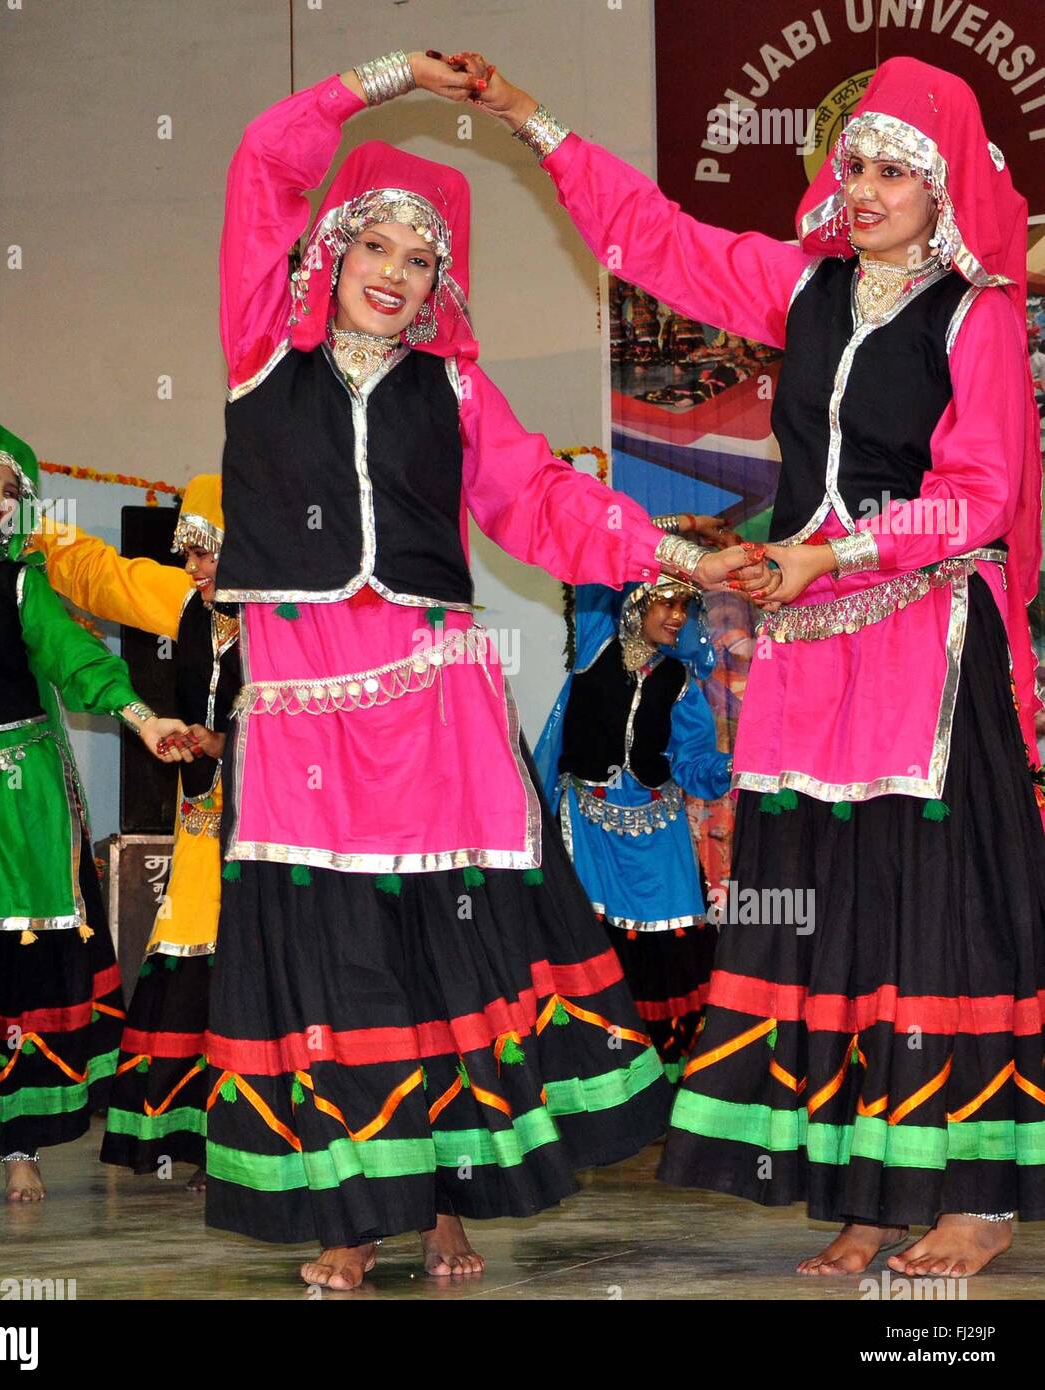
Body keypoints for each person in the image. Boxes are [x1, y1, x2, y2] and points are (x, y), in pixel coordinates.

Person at [463, 52, 1045, 1277]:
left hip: (926, 639)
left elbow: (983, 498)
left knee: (937, 917)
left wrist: (829, 554)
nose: (872, 187)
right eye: (858, 167)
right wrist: (532, 118)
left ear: (944, 189)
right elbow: (652, 237)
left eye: (897, 170)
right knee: (831, 916)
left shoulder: (975, 312)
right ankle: (871, 1189)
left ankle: (980, 1193)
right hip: (817, 653)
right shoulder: (805, 289)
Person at [205, 51, 755, 1290]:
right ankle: (349, 1212)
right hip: (305, 718)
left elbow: (547, 505)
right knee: (332, 961)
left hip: (435, 704)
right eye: (378, 249)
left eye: (422, 261)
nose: (397, 276)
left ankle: (447, 1197)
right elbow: (260, 164)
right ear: (330, 251)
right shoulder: (257, 348)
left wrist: (672, 545)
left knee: (452, 952)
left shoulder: (453, 390)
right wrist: (377, 80)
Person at [0, 417, 186, 1208]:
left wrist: (142, 717)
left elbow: (78, 658)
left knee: (8, 970)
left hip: (13, 801)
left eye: (12, 492)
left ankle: (22, 1144)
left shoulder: (21, 584)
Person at [29, 474, 238, 1191]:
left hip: (269, 837)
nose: (195, 568)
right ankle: (202, 1140)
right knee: (189, 963)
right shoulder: (183, 604)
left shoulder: (294, 621)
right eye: (190, 552)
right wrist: (18, 515)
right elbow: (98, 574)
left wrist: (227, 744)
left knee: (255, 969)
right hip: (200, 832)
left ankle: (259, 1142)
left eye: (209, 552)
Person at [534, 565, 732, 1107]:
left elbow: (693, 764)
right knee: (594, 948)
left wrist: (737, 767)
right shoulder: (593, 646)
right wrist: (681, 531)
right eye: (664, 602)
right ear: (634, 604)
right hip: (588, 826)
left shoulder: (681, 681)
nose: (675, 616)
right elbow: (599, 555)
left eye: (684, 607)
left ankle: (661, 1090)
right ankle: (599, 1081)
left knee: (671, 949)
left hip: (657, 830)